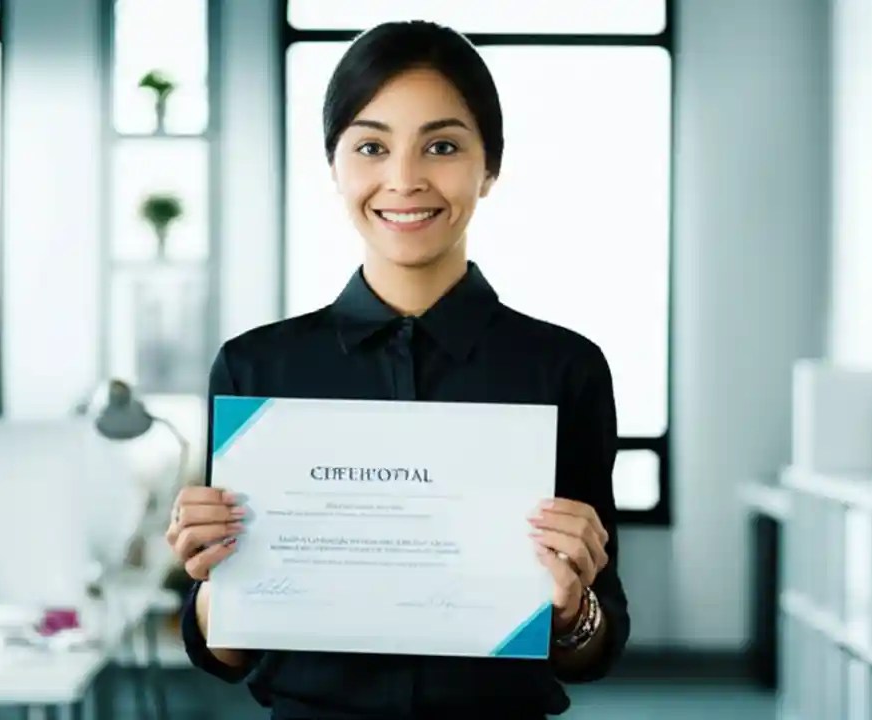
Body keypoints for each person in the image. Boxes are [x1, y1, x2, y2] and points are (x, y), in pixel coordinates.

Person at [165, 20, 630, 719]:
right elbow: (227, 655)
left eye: (441, 146)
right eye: (372, 147)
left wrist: (574, 610)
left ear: (490, 167)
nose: (404, 180)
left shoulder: (563, 369)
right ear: (335, 167)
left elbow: (596, 645)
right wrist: (210, 582)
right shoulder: (256, 367)